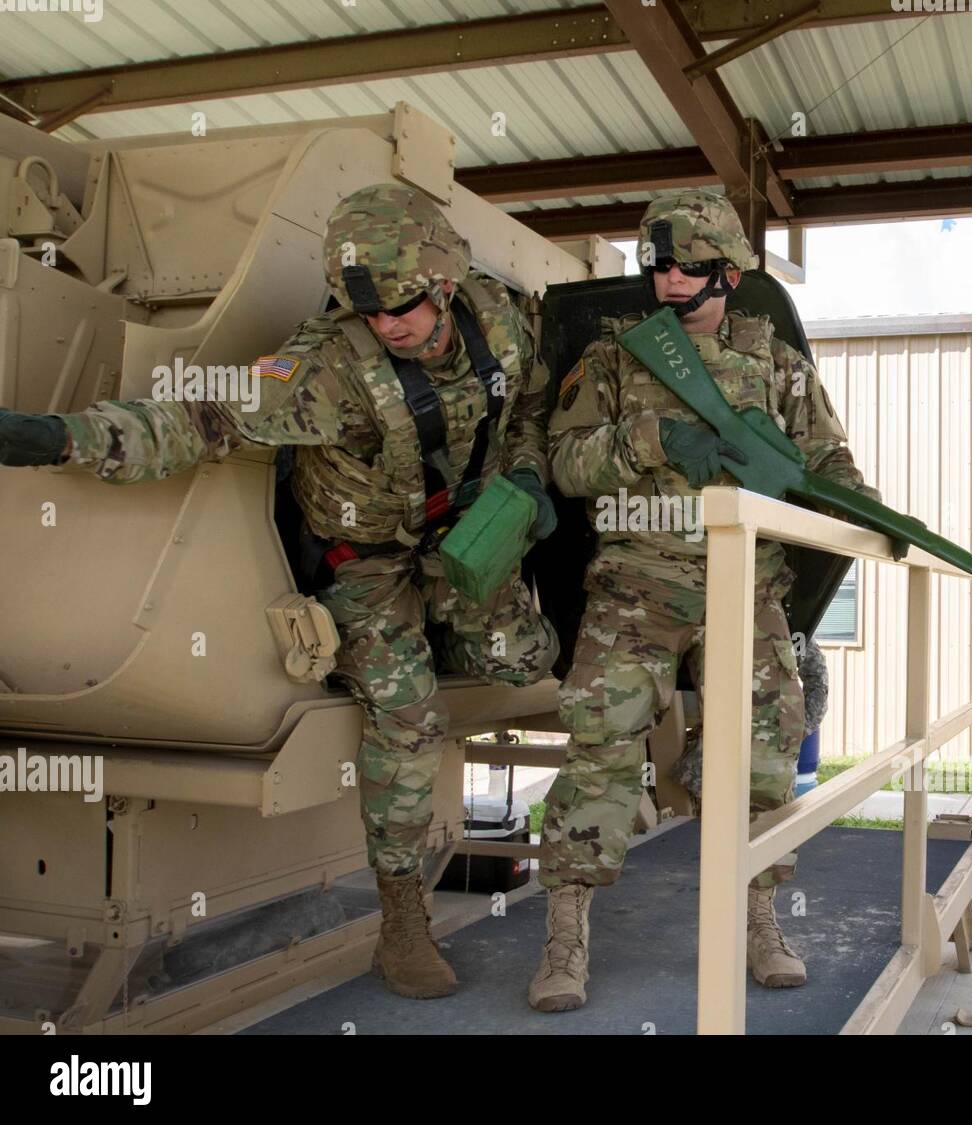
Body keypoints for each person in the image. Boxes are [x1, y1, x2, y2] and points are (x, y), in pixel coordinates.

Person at [0, 182, 559, 999]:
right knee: (409, 720)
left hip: (467, 536)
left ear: (444, 284)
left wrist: (526, 480)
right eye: (366, 310)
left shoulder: (501, 323)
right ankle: (402, 922)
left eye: (401, 307)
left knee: (524, 657)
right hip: (367, 563)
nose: (385, 325)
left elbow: (535, 399)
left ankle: (466, 630)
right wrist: (58, 439)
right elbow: (190, 423)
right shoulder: (324, 368)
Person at [529, 188, 880, 1012]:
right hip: (635, 585)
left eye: (689, 266)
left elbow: (829, 461)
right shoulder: (617, 359)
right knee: (598, 741)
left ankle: (760, 917)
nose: (670, 281)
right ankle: (565, 934)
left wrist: (870, 514)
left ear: (729, 274)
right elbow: (569, 464)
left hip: (745, 585)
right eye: (658, 265)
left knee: (766, 747)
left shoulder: (775, 364)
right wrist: (652, 439)